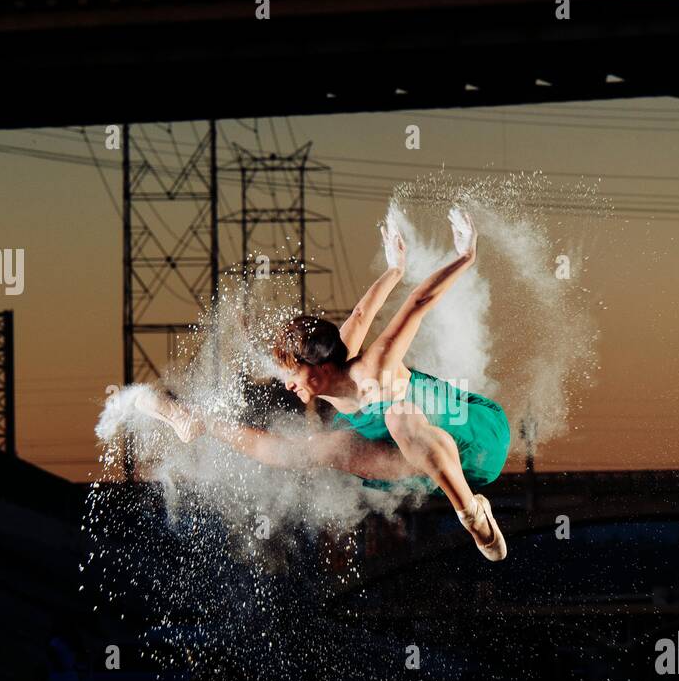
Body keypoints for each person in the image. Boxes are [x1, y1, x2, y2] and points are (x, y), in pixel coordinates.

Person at [130, 209, 510, 560]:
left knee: (399, 415)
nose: (288, 384)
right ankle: (195, 420)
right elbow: (362, 312)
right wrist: (394, 269)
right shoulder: (333, 352)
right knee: (323, 447)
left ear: (320, 368)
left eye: (293, 373)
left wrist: (465, 257)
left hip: (473, 435)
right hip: (422, 459)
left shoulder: (373, 368)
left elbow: (418, 302)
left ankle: (473, 516)